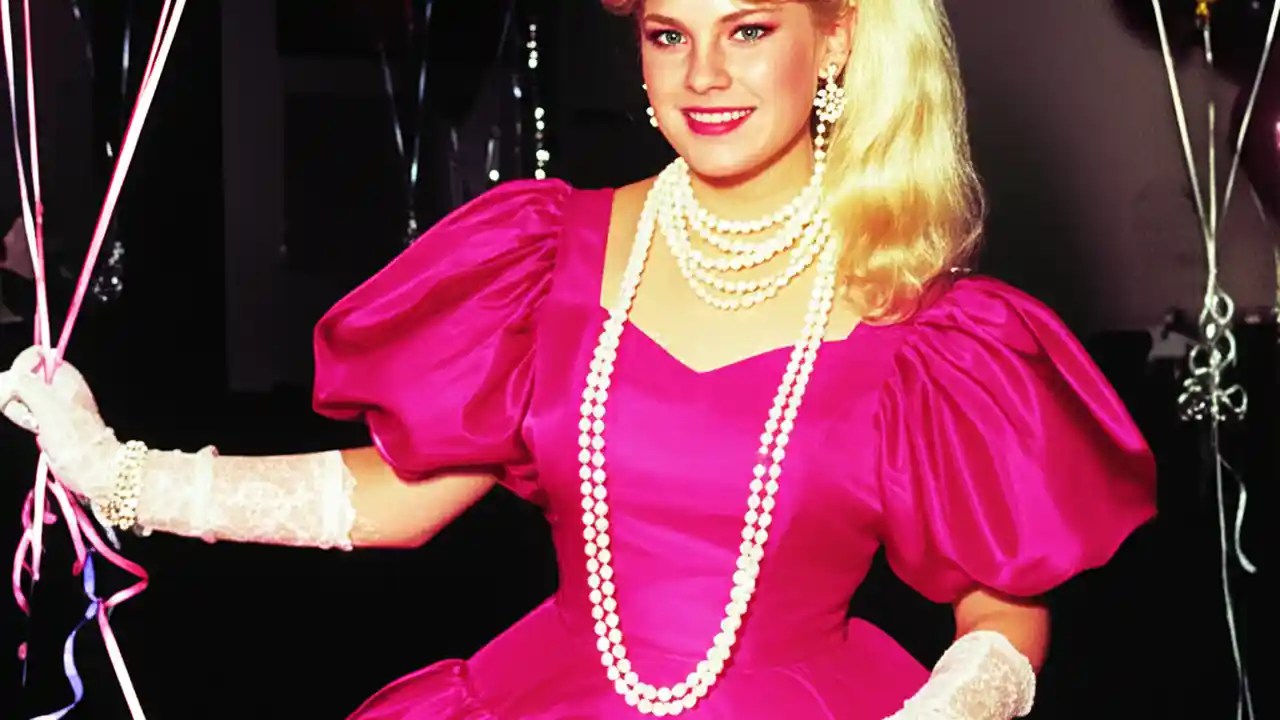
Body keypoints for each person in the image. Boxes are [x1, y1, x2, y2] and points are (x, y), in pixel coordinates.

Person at [0, 0, 1156, 717]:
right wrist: (119, 472)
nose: (704, 75)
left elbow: (1002, 612)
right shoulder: (545, 252)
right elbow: (396, 499)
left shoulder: (926, 324)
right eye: (669, 34)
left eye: (747, 29)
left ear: (838, 39)